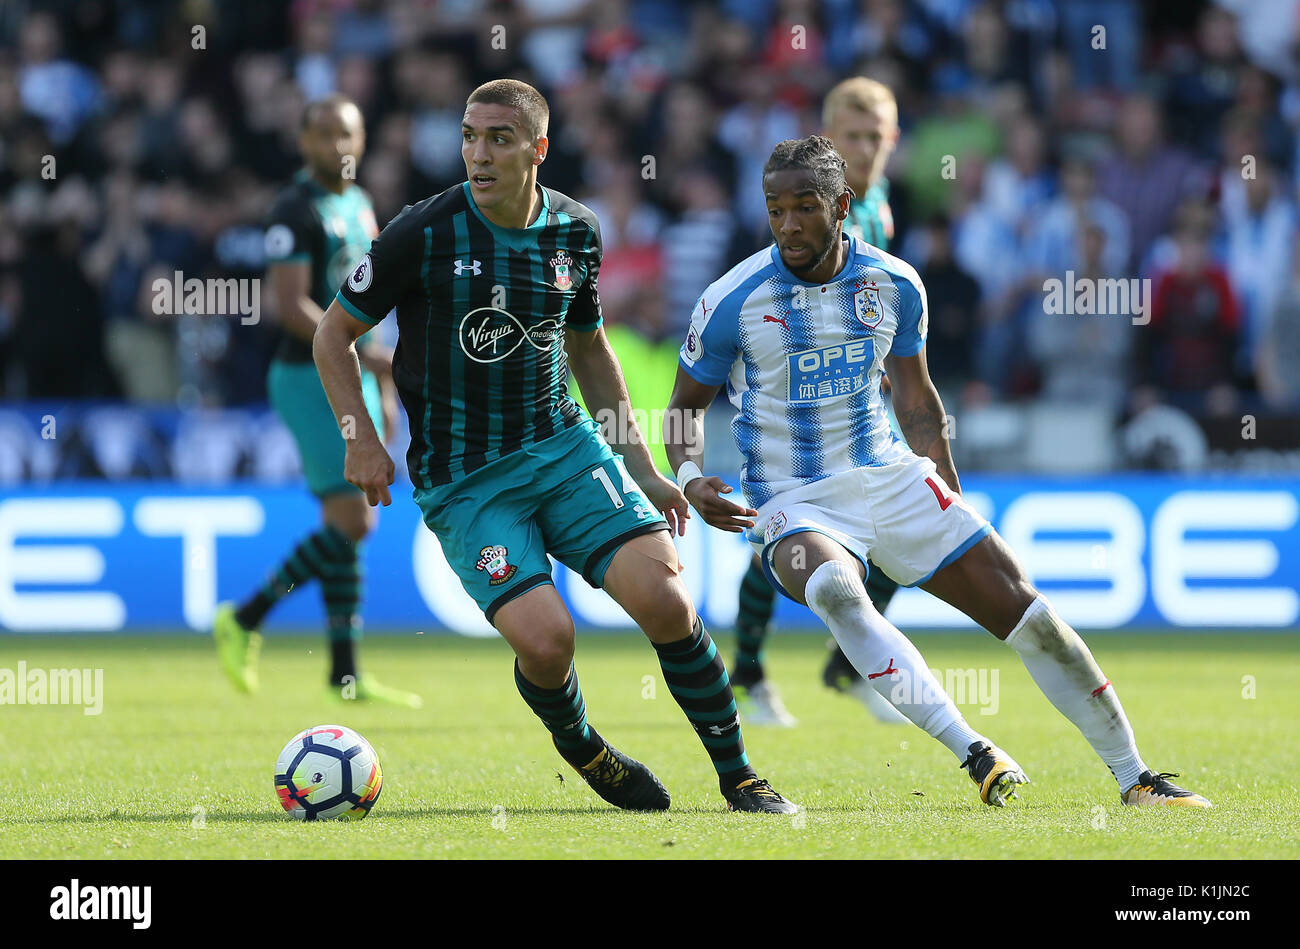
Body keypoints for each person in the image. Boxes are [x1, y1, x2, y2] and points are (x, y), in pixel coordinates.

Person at [666, 134, 1211, 808]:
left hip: (891, 476)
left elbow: (917, 397)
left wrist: (947, 490)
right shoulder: (733, 299)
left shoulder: (894, 282)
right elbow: (681, 410)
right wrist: (689, 477)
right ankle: (974, 749)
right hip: (794, 499)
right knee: (837, 586)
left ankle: (1138, 778)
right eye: (775, 209)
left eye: (805, 207)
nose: (788, 225)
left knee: (1031, 615)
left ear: (842, 206)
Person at [312, 79, 796, 813]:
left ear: (537, 149)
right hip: (467, 477)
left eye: (498, 138)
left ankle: (741, 776)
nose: (478, 152)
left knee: (666, 599)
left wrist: (650, 471)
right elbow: (332, 334)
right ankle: (585, 749)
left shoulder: (576, 231)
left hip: (565, 448)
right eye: (470, 136)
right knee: (546, 641)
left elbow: (591, 352)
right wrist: (362, 438)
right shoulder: (424, 232)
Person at [212, 95, 421, 707]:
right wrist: (368, 360)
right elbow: (291, 306)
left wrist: (380, 375)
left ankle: (345, 674)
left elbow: (373, 295)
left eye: (348, 134)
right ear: (303, 142)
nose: (338, 146)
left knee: (352, 521)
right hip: (308, 376)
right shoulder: (293, 209)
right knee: (354, 520)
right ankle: (245, 618)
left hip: (358, 372)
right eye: (325, 134)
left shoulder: (357, 202)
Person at [729, 76, 907, 726]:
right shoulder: (807, 203)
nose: (866, 148)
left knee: (888, 525)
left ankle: (847, 664)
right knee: (784, 528)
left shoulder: (878, 201)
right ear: (831, 138)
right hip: (792, 390)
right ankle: (746, 672)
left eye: (876, 136)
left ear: (892, 139)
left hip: (854, 392)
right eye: (852, 136)